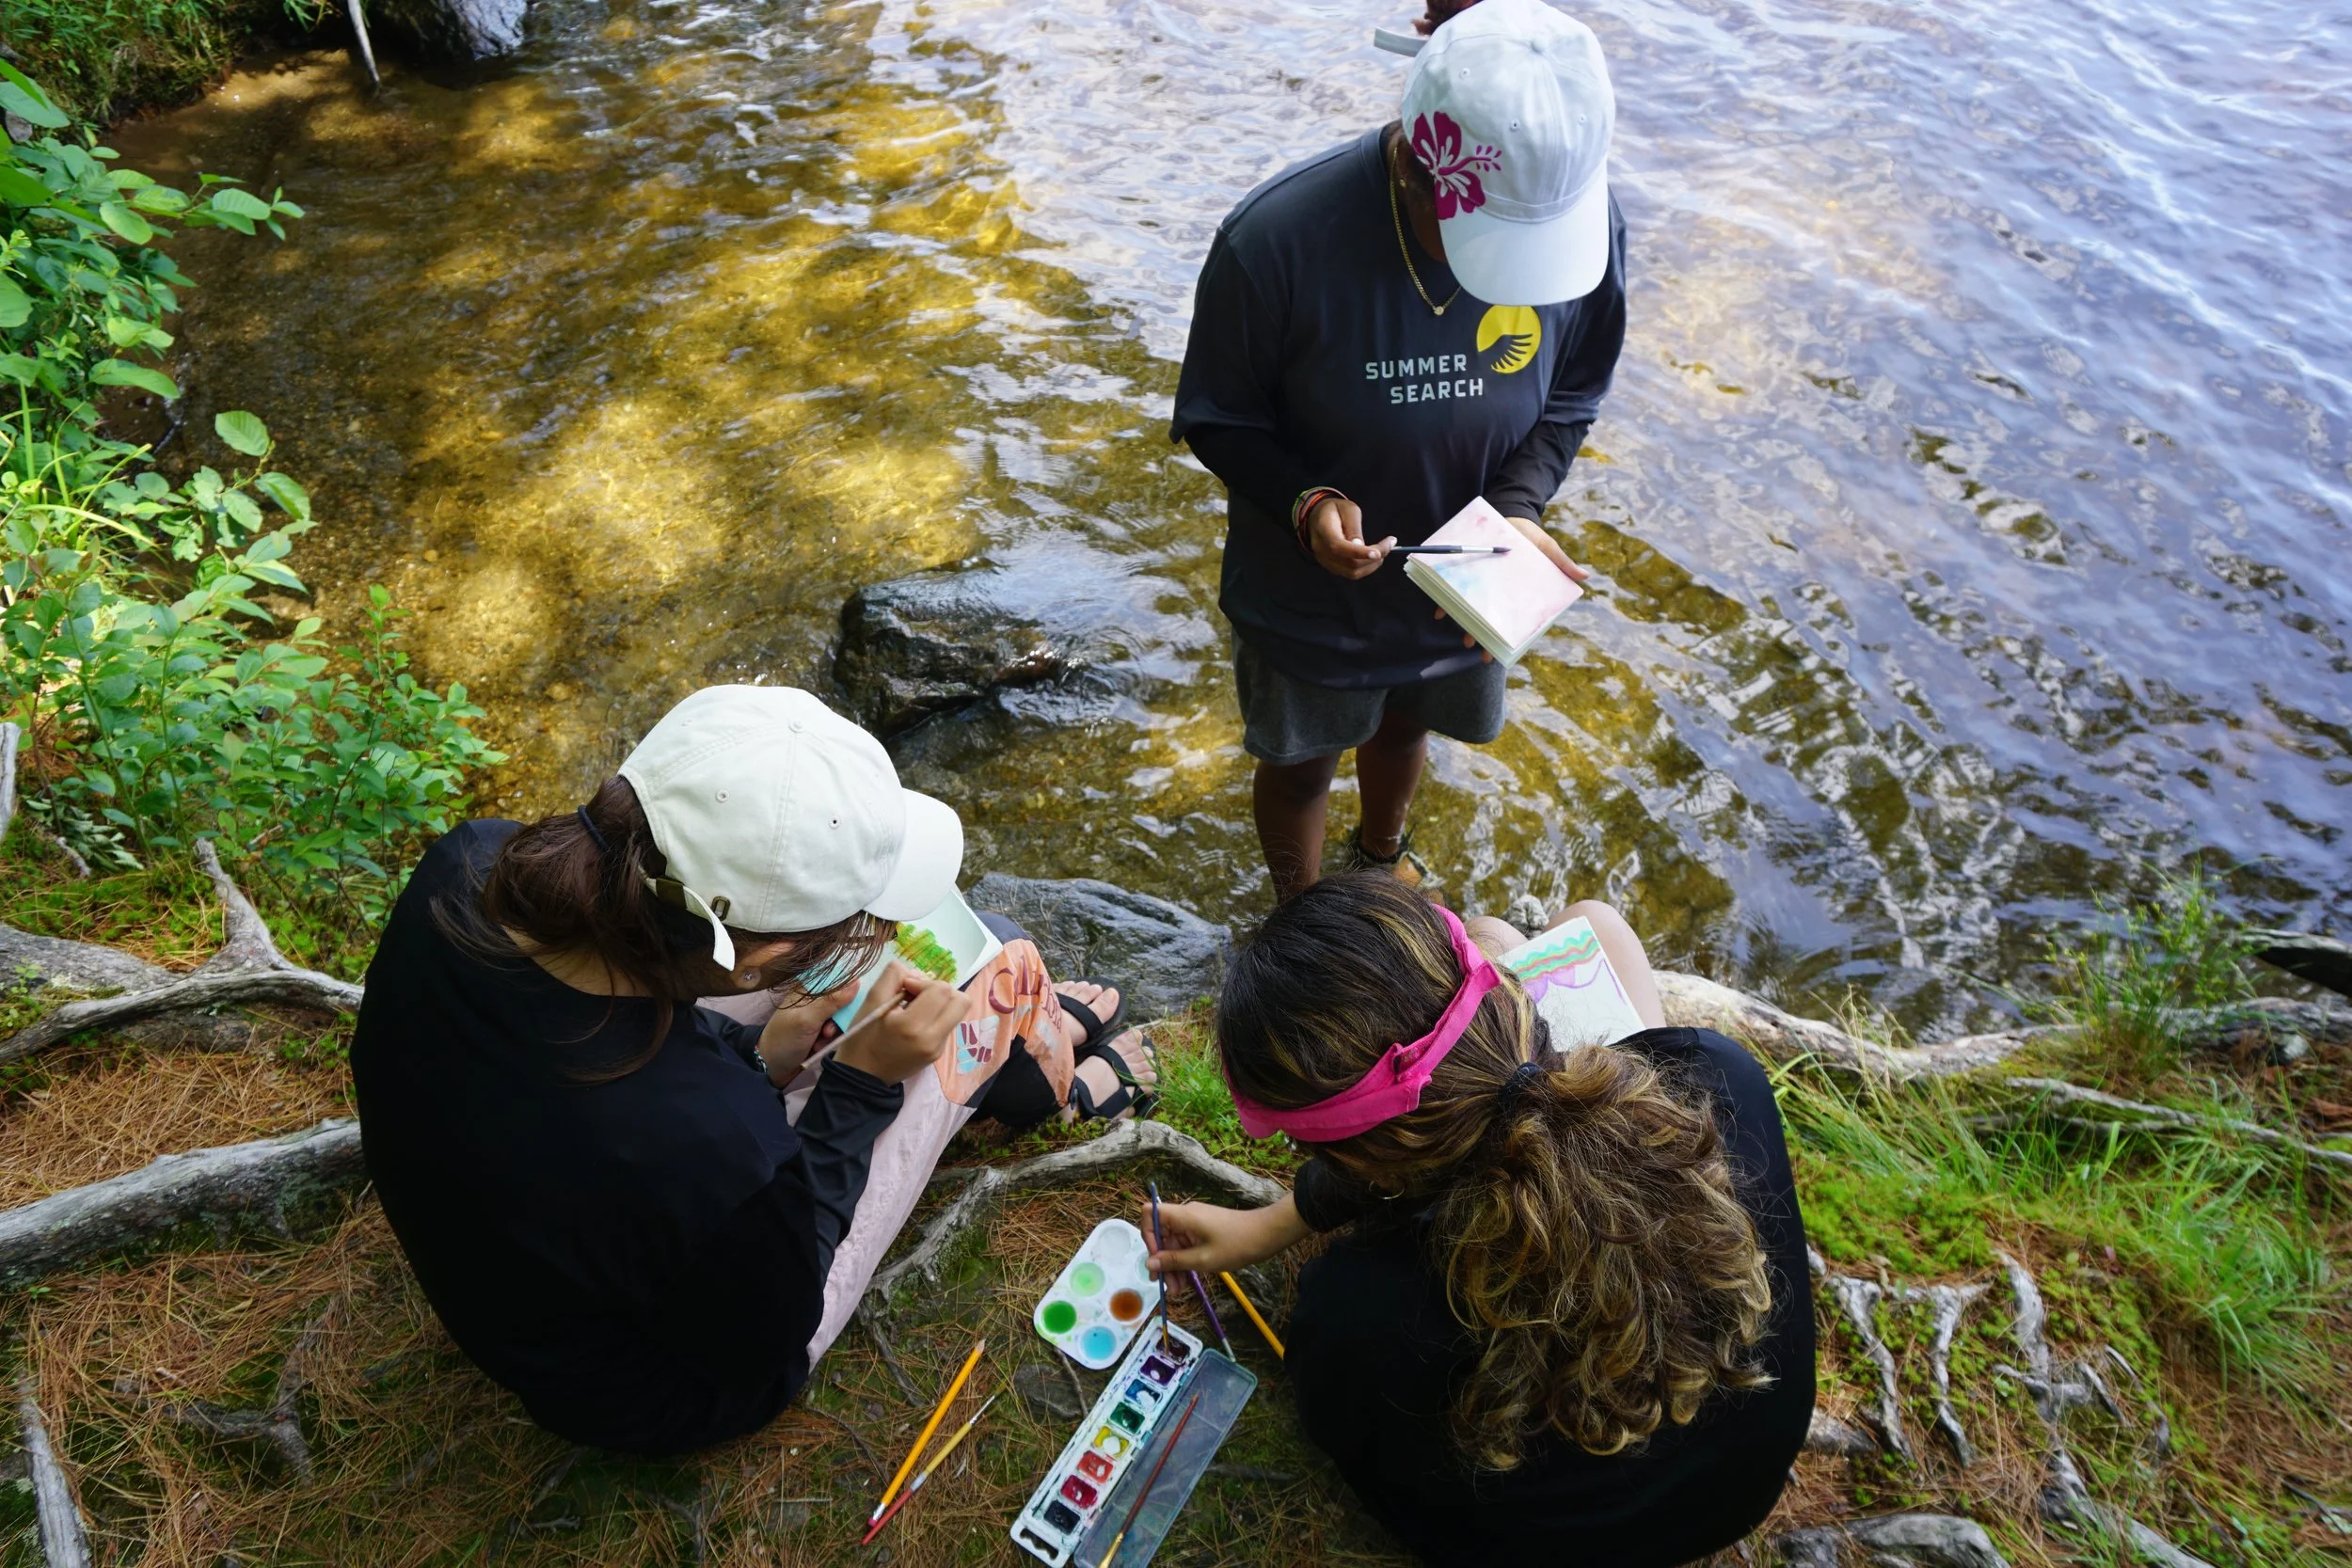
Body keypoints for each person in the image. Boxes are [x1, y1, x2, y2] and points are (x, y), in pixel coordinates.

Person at [349, 686, 1157, 1454]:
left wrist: (763, 1053)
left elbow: (601, 1047)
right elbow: (767, 1328)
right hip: (655, 1381)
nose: (866, 932)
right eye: (847, 922)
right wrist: (862, 1081)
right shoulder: (708, 1137)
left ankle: (1015, 1058)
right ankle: (1044, 1087)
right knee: (997, 968)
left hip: (509, 1231)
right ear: (757, 956)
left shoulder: (472, 862)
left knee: (985, 952)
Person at [1147, 876, 1814, 1567]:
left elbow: (1344, 1434)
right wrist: (1267, 1225)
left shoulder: (1353, 1313)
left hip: (1533, 1551)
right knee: (1573, 924)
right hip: (1742, 1482)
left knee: (1525, 929)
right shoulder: (1717, 1083)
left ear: (1360, 1163)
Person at [1171, 0, 1629, 900]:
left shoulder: (1582, 219)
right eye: (1493, 239)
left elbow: (1574, 390)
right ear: (1417, 172)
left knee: (1409, 723)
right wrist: (1303, 500)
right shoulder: (1276, 241)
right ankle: (1304, 919)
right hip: (1308, 593)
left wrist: (1519, 507)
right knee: (1300, 761)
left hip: (1466, 582)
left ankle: (1381, 854)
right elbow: (1217, 415)